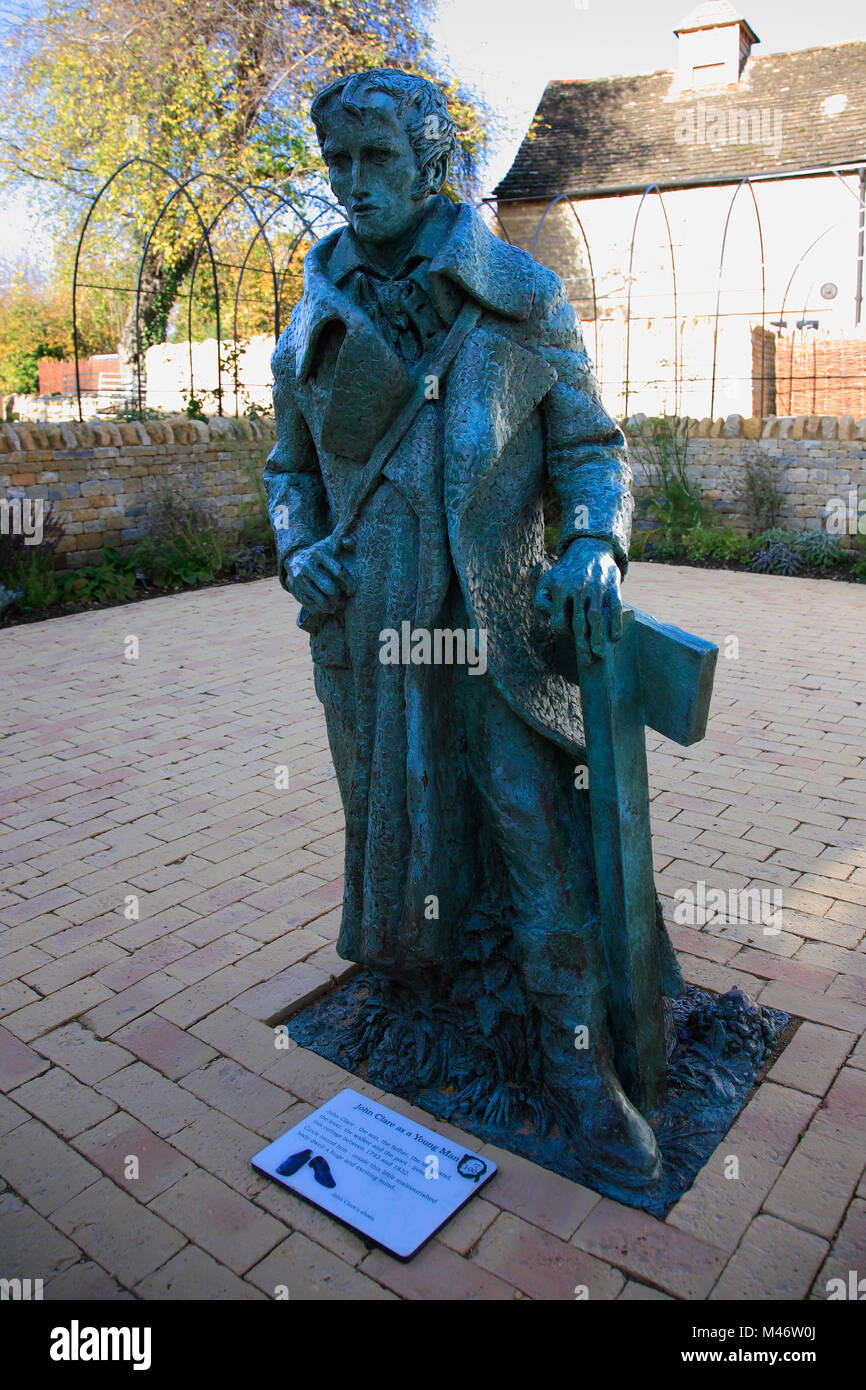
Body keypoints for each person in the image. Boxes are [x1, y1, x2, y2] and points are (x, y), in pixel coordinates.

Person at [266, 68, 682, 1188]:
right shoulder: (308, 323)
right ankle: (431, 1009)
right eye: (337, 164)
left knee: (535, 844)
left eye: (375, 160)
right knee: (399, 835)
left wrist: (594, 542)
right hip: (376, 640)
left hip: (492, 639)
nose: (353, 186)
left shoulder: (519, 295)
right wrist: (297, 545)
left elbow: (591, 449)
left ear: (427, 160)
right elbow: (287, 474)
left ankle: (582, 1083)